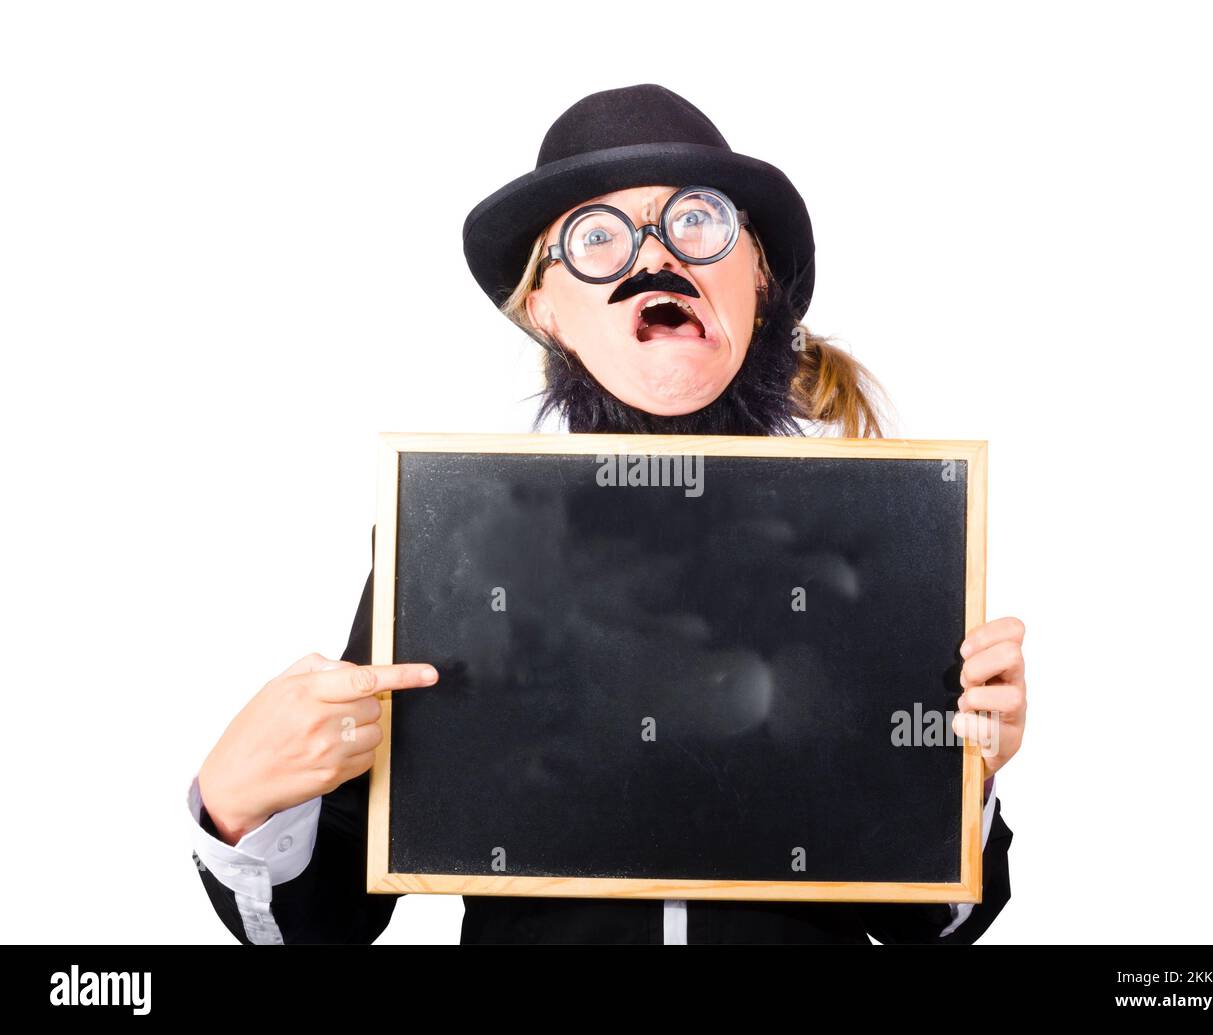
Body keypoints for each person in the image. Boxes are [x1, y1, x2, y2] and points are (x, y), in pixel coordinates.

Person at [190, 83, 1028, 945]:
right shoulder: (452, 547)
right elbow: (322, 920)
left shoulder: (872, 544)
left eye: (698, 223)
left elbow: (937, 920)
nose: (654, 259)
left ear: (760, 276)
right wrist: (237, 804)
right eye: (598, 238)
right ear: (548, 310)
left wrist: (966, 773)